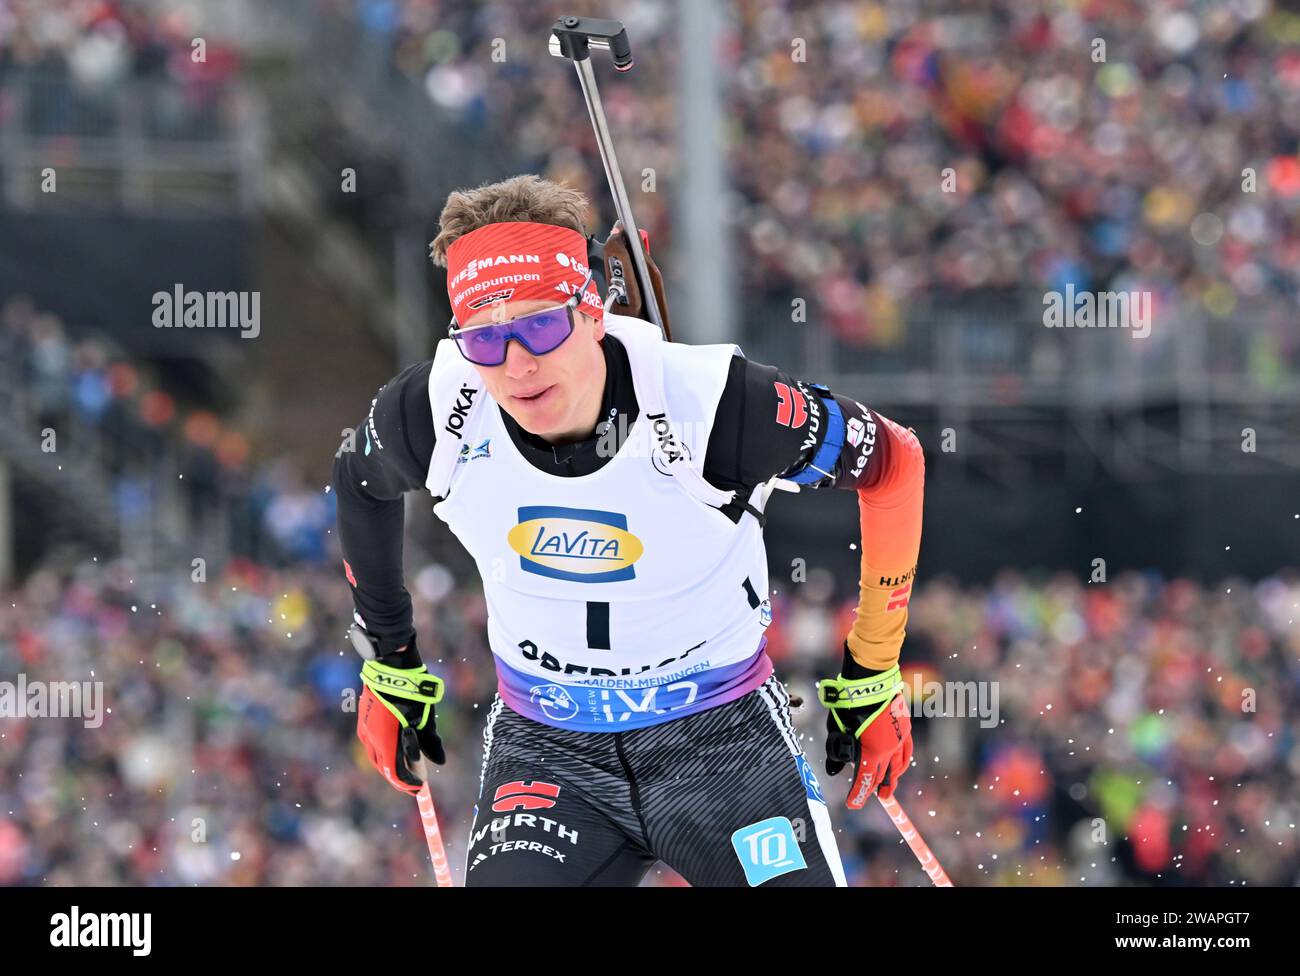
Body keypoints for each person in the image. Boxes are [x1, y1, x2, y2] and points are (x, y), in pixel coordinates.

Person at [331, 174, 925, 887]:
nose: (517, 365)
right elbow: (357, 480)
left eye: (541, 325)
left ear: (593, 311)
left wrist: (872, 668)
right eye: (485, 339)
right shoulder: (435, 407)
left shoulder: (714, 405)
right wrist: (388, 658)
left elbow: (894, 462)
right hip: (547, 746)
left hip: (720, 740)